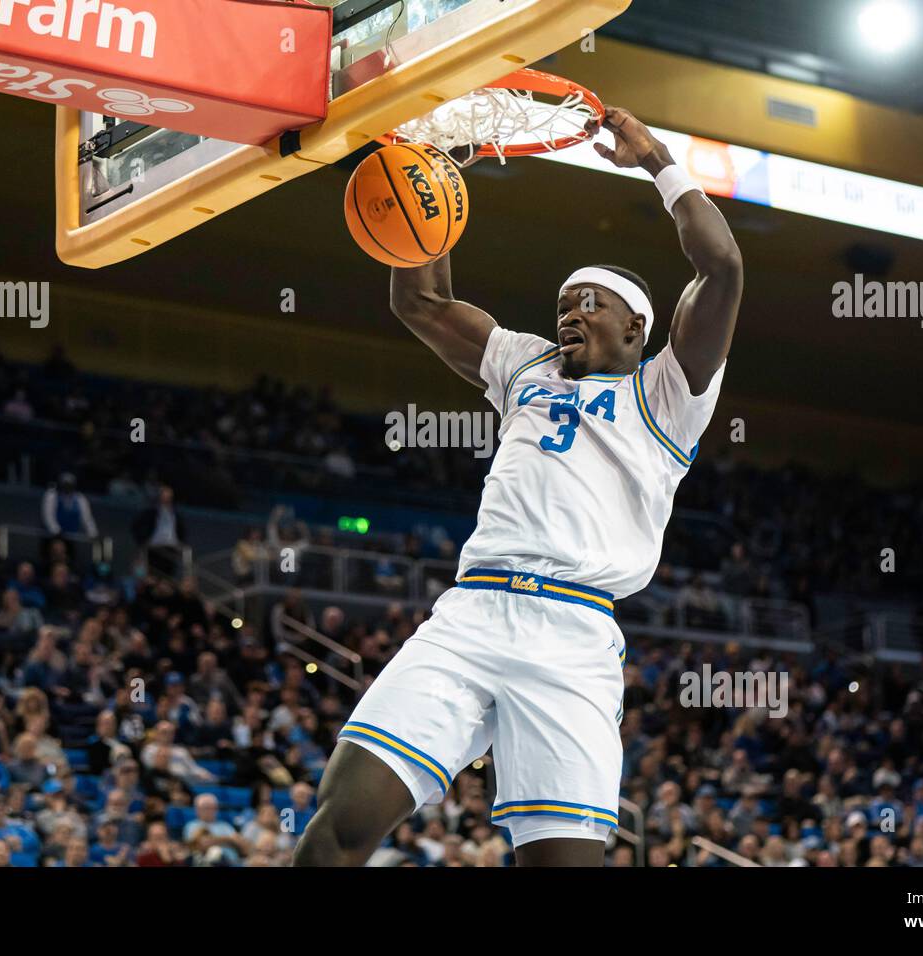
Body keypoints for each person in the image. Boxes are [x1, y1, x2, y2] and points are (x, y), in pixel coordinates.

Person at [295, 107, 742, 867]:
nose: (569, 313)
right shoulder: (526, 365)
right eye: (564, 304)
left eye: (588, 304)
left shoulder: (671, 391)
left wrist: (658, 161)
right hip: (471, 615)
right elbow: (420, 302)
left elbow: (722, 268)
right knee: (338, 828)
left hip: (572, 636)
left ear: (637, 329)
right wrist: (427, 174)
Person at [41, 473, 99, 541]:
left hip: (71, 537)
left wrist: (92, 532)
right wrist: (55, 530)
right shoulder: (52, 495)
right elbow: (48, 515)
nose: (67, 488)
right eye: (65, 485)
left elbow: (87, 518)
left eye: (69, 486)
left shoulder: (80, 499)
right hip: (53, 537)